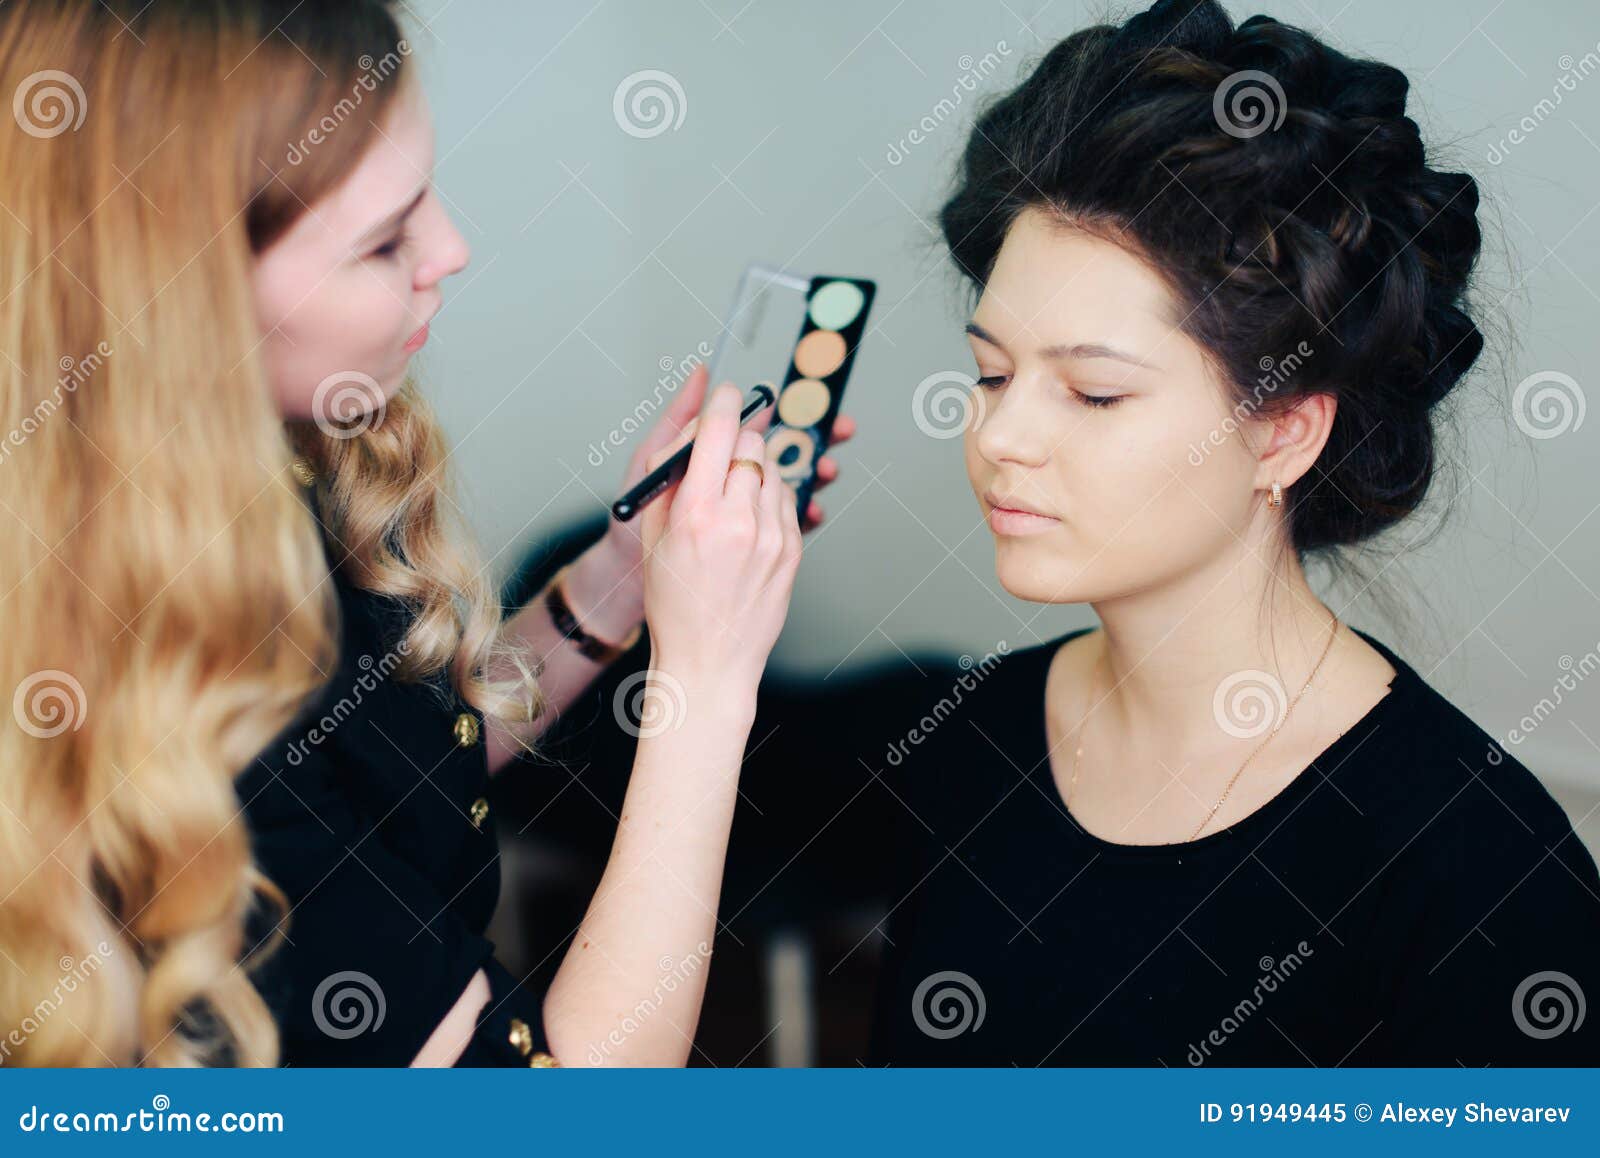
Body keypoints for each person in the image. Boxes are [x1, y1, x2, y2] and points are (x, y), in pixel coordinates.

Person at [0, 0, 851, 1067]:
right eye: (383, 240)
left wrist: (617, 582)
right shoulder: (134, 675)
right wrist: (710, 678)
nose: (450, 248)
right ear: (183, 301)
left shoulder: (249, 503)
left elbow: (376, 775)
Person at [868, 0, 1600, 1065]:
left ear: (1282, 435)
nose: (999, 436)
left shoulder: (1474, 872)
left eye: (1093, 393)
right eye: (989, 373)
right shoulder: (973, 740)